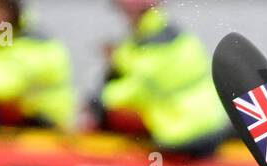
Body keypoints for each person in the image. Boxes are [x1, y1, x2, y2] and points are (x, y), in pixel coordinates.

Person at [94, 0, 234, 157]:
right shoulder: (175, 35)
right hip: (213, 124)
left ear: (137, 12)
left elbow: (137, 90)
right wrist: (117, 57)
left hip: (183, 134)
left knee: (111, 114)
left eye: (125, 12)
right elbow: (138, 62)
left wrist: (99, 100)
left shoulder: (152, 46)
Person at [0, 0, 76, 130]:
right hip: (13, 117)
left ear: (14, 13)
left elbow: (7, 88)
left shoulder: (37, 43)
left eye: (0, 12)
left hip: (44, 120)